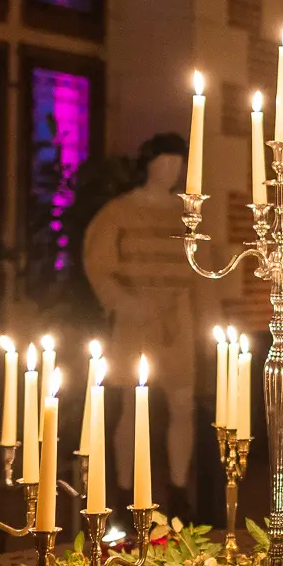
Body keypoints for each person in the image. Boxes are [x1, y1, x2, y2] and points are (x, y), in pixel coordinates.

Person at [80, 133, 204, 517]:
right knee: (132, 402)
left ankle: (179, 488)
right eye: (164, 162)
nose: (171, 171)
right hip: (135, 316)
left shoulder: (188, 214)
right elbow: (98, 263)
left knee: (182, 403)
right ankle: (123, 488)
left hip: (176, 318)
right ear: (148, 164)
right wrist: (122, 302)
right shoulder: (120, 211)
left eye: (177, 164)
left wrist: (200, 316)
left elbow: (203, 269)